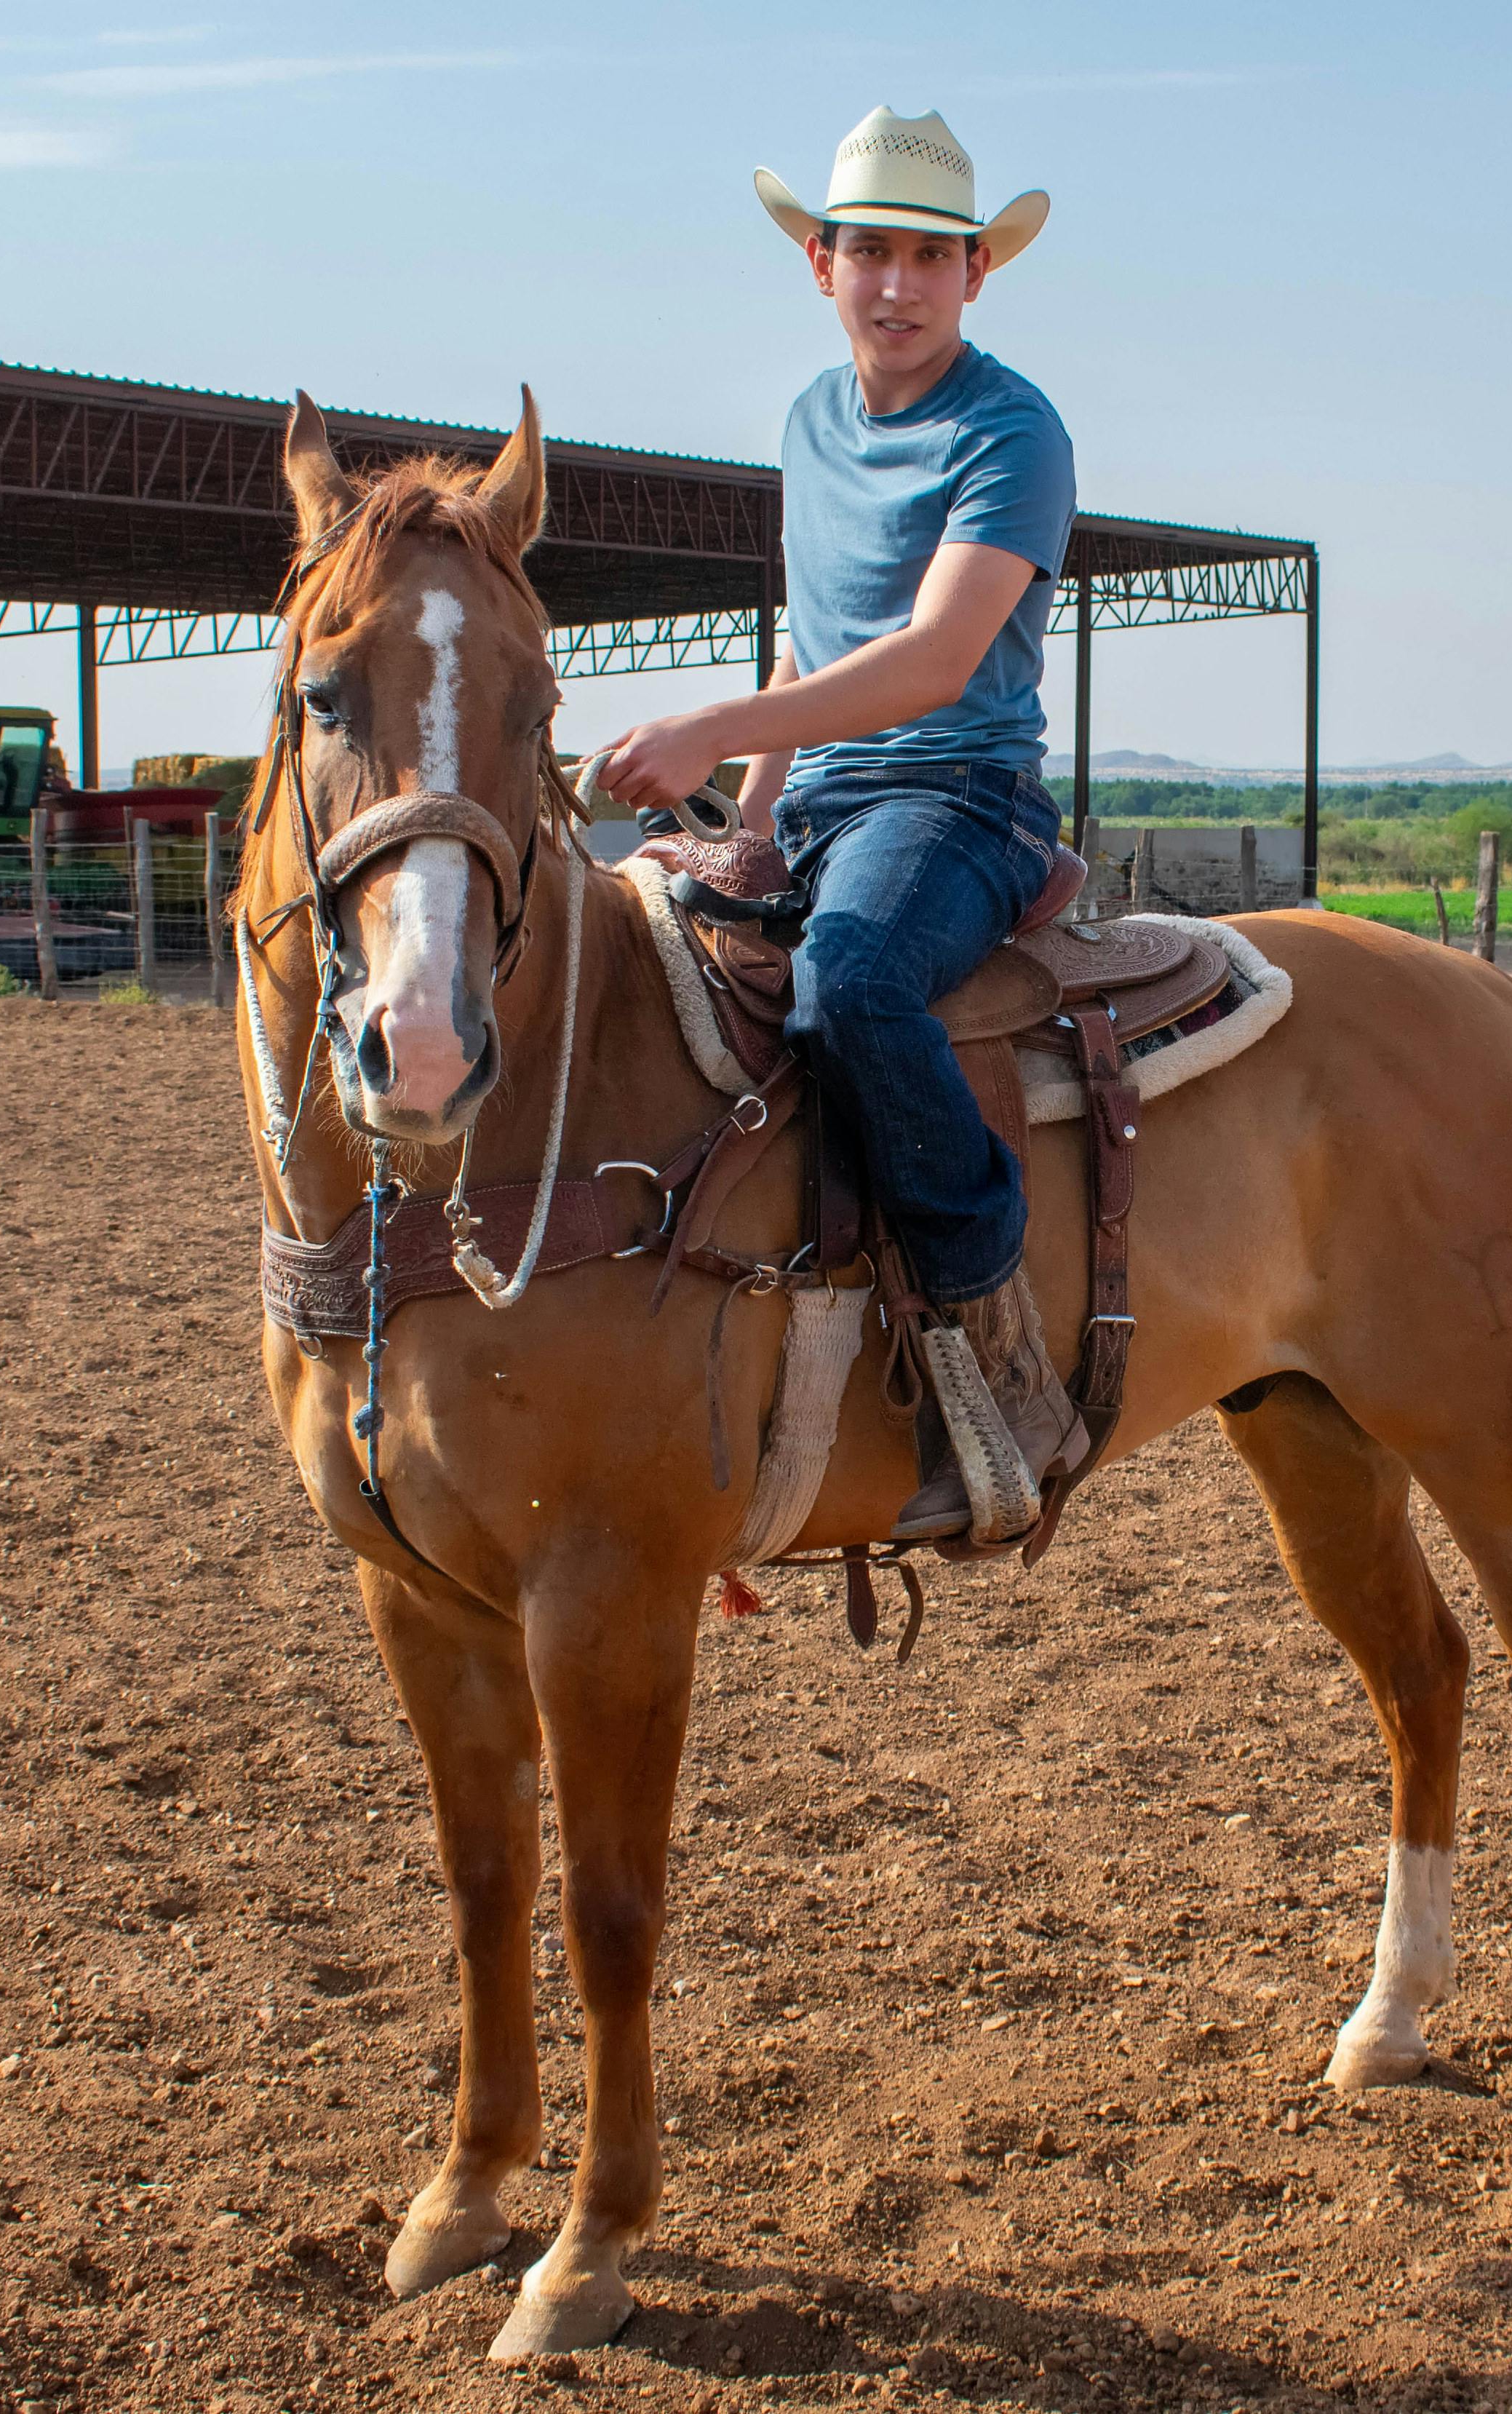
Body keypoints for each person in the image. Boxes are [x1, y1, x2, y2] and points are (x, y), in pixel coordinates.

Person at [593, 107, 1081, 1543]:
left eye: (931, 257)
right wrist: (743, 817)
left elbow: (933, 660)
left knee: (852, 978)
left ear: (977, 273)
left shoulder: (1012, 429)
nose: (897, 284)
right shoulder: (810, 422)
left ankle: (993, 1322)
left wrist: (704, 733)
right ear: (819, 262)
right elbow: (816, 651)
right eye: (869, 249)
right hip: (822, 797)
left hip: (957, 797)